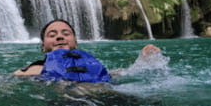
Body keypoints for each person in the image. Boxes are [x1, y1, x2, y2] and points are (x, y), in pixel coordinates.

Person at [15, 19, 162, 82]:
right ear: (43, 47)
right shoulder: (34, 69)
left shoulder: (90, 65)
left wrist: (142, 61)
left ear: (75, 44)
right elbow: (3, 80)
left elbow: (123, 73)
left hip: (105, 96)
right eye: (52, 35)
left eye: (66, 34)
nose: (59, 37)